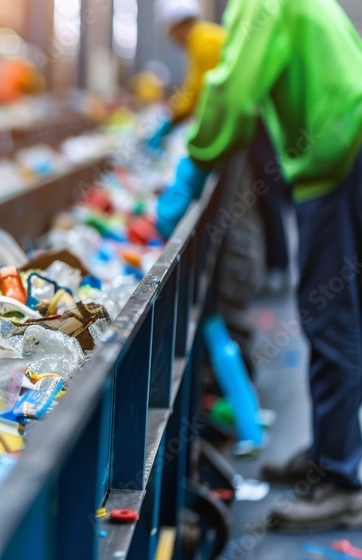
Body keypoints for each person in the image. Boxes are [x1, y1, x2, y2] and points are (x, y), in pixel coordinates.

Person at [157, 0, 362, 531]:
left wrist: (195, 163)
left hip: (339, 156)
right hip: (347, 143)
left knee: (331, 315)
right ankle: (332, 453)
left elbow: (232, 90)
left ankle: (341, 482)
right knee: (343, 314)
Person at [152, 0, 290, 284]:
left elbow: (200, 92)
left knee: (262, 191)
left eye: (171, 32)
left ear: (178, 26)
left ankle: (275, 268)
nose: (172, 39)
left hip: (252, 122)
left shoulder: (202, 39)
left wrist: (174, 120)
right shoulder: (209, 35)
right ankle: (276, 265)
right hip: (253, 117)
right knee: (264, 192)